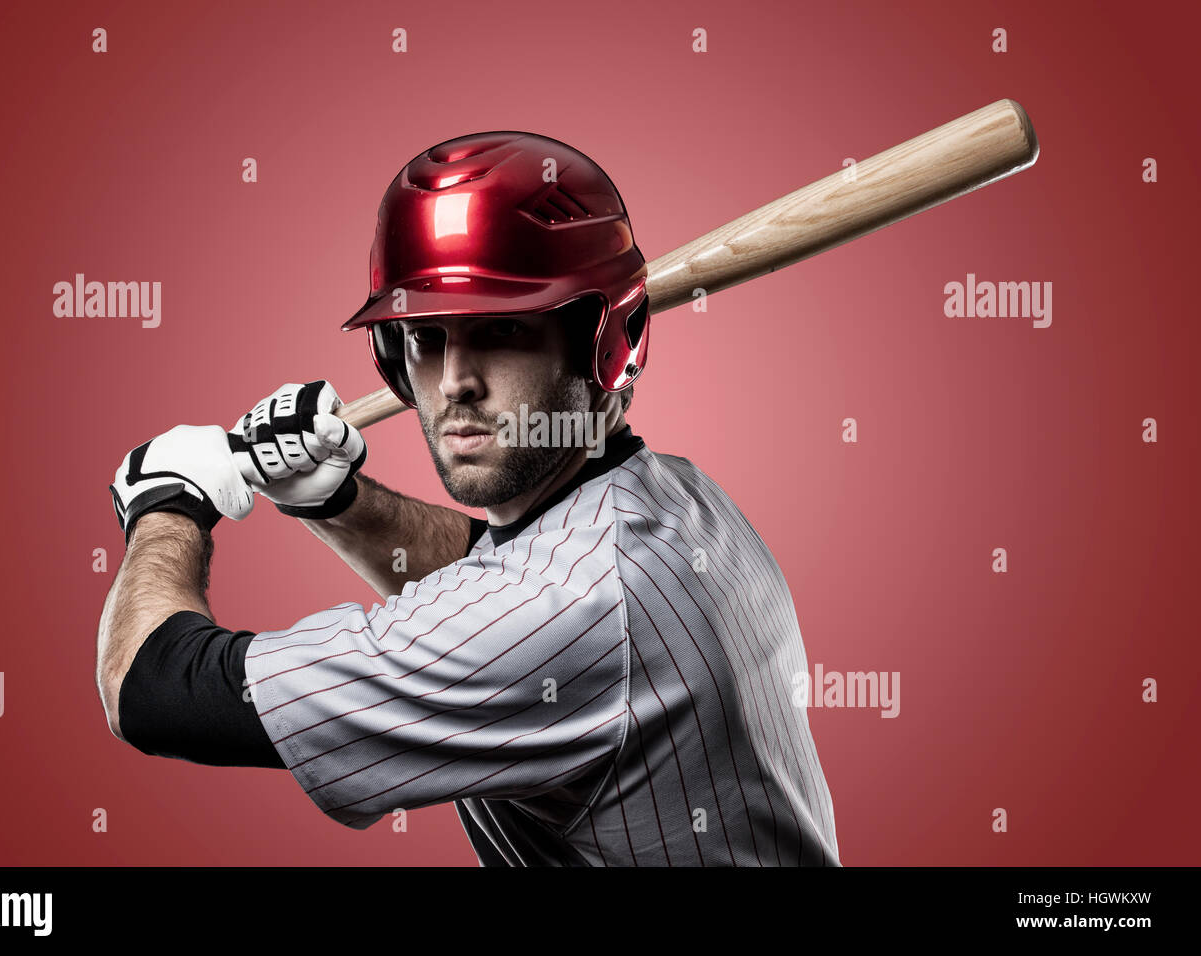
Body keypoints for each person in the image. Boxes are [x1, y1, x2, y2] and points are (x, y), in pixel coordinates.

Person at [97, 132, 841, 866]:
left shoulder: (573, 610)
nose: (455, 381)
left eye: (503, 330)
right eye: (424, 336)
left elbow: (154, 691)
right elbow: (501, 575)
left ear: (603, 342)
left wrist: (168, 502)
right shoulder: (673, 496)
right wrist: (334, 500)